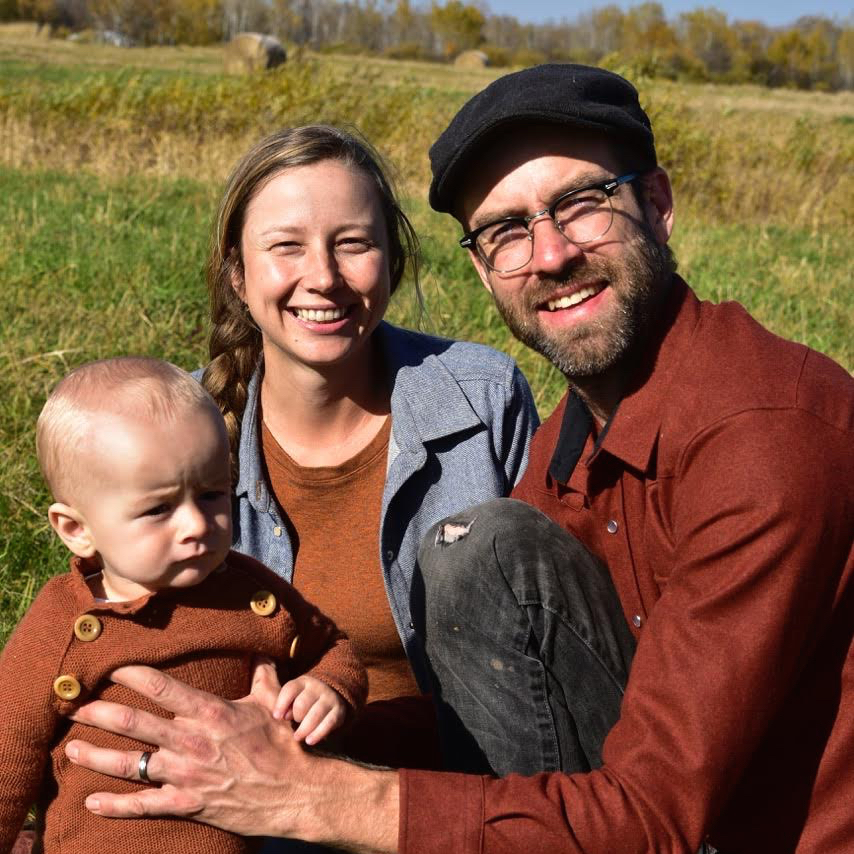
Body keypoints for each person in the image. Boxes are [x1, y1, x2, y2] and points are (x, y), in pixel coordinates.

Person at [62, 65, 852, 853]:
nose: (549, 255)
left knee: (478, 549)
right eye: (508, 229)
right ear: (481, 267)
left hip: (711, 829)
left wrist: (313, 796)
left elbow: (651, 815)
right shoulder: (580, 428)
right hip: (602, 807)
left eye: (581, 204)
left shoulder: (760, 437)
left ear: (658, 204)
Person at [0, 357, 367, 853]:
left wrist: (328, 687)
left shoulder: (251, 593)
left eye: (212, 494)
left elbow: (332, 647)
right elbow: (9, 751)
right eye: (159, 508)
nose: (196, 524)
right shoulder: (62, 626)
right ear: (77, 529)